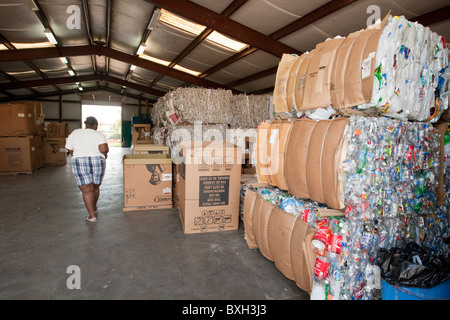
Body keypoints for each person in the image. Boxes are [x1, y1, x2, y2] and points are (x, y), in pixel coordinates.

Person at [65, 116, 109, 223]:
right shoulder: (98, 134)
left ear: (86, 124)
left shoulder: (75, 133)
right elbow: (103, 149)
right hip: (97, 161)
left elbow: (68, 148)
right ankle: (94, 207)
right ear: (95, 125)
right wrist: (105, 154)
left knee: (87, 190)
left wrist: (75, 153)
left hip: (80, 161)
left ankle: (92, 215)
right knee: (95, 187)